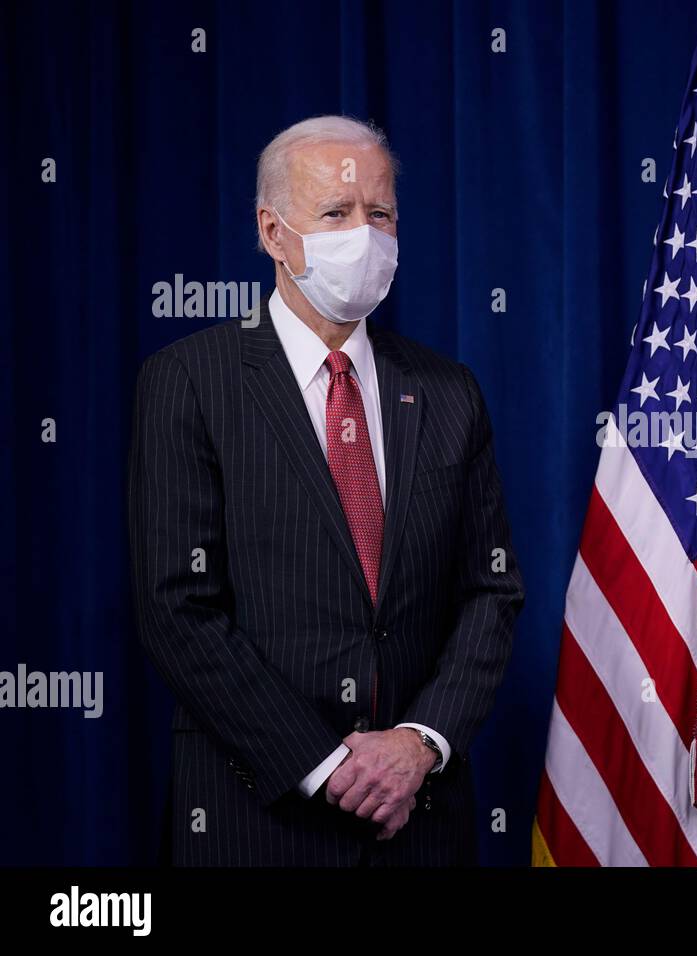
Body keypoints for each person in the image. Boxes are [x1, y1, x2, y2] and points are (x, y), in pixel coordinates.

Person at [128, 115, 524, 865]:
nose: (364, 235)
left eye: (380, 214)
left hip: (420, 821)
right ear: (274, 233)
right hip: (257, 819)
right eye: (337, 214)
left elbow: (490, 594)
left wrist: (417, 745)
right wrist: (328, 766)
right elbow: (176, 607)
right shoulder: (189, 382)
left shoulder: (448, 392)